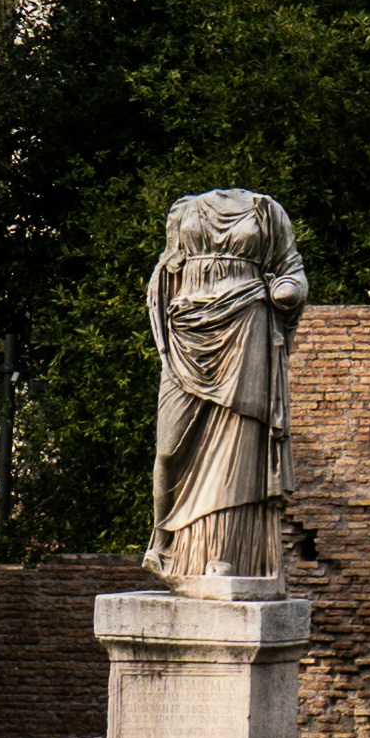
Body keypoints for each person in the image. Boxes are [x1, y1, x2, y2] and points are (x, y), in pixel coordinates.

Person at [148, 190, 309, 591]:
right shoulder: (184, 209)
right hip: (187, 329)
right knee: (169, 448)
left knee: (234, 445)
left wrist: (288, 290)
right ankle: (163, 540)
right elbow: (166, 269)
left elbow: (293, 270)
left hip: (245, 325)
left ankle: (222, 554)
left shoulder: (266, 210)